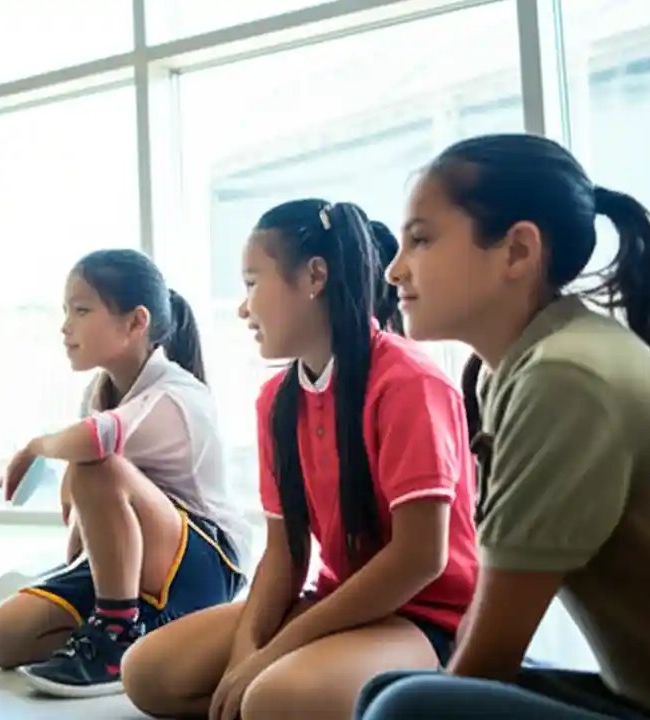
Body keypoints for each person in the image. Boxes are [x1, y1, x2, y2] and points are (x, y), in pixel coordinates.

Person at [357, 134, 650, 719]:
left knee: (410, 707)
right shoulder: (517, 367)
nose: (395, 270)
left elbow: (493, 651)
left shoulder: (565, 379)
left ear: (518, 251)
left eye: (421, 240)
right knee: (386, 691)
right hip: (647, 696)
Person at [121, 199, 480, 720]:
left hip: (427, 618)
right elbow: (285, 554)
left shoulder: (408, 383)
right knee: (147, 673)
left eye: (251, 283)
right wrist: (248, 651)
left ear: (315, 276)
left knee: (272, 698)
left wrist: (278, 652)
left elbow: (421, 559)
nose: (244, 308)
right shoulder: (276, 401)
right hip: (338, 606)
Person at [0, 248, 252, 698]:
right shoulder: (99, 393)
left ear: (136, 322)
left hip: (205, 561)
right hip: (134, 569)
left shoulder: (176, 393)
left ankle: (118, 637)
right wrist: (72, 569)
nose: (66, 326)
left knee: (96, 467)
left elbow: (96, 447)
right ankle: (122, 625)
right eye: (66, 311)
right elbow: (87, 506)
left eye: (81, 310)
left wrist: (37, 446)